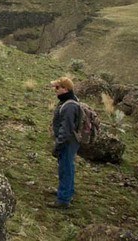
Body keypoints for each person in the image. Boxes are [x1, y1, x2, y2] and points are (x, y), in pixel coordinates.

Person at [49, 76, 81, 209]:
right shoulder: (69, 101)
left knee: (65, 168)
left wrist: (58, 145)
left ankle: (63, 199)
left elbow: (66, 129)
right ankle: (67, 191)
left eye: (57, 87)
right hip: (69, 140)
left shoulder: (69, 106)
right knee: (68, 167)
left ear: (65, 89)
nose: (55, 90)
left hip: (67, 141)